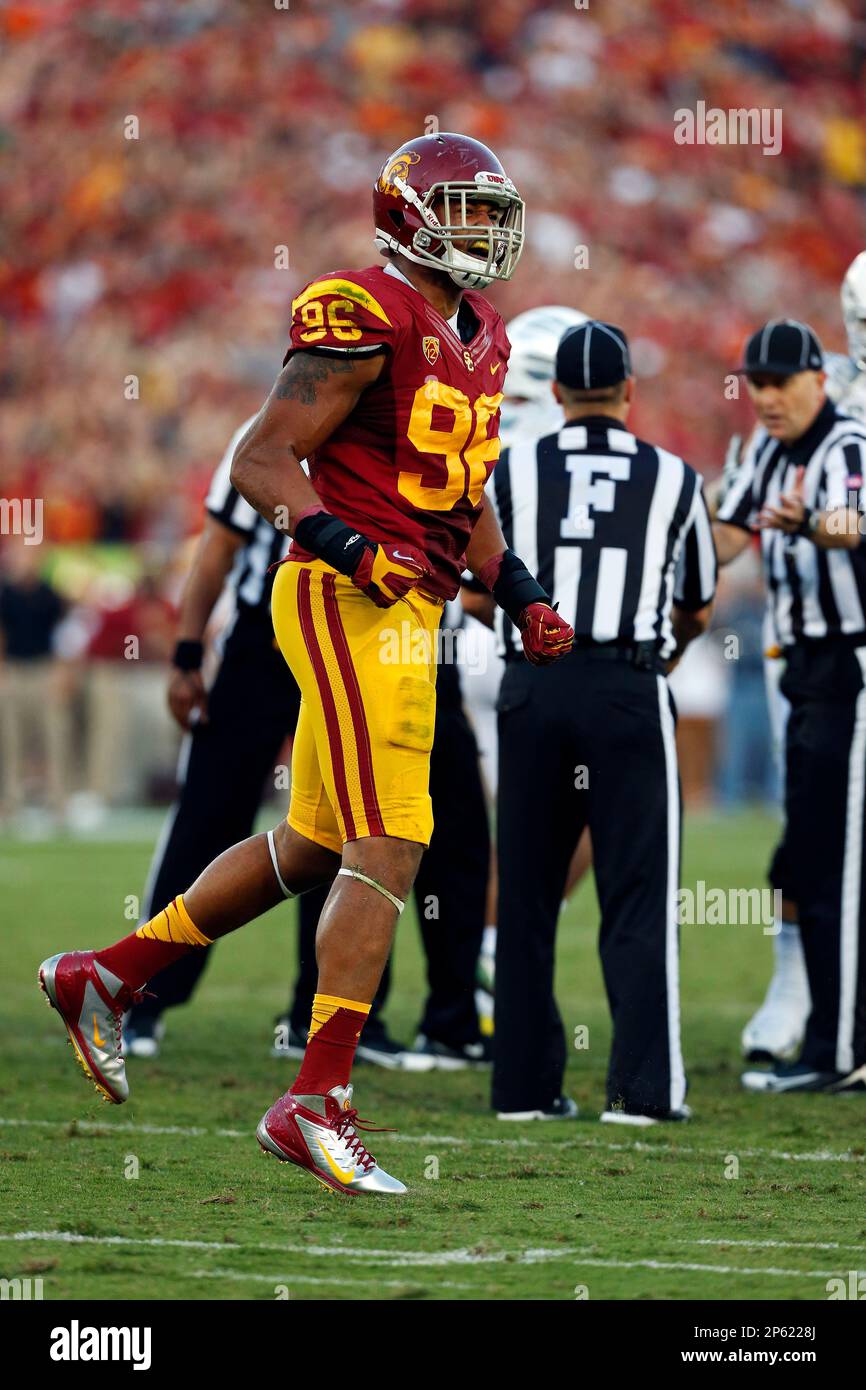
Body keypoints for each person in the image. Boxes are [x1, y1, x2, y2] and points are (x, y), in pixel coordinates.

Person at [38, 131, 573, 1198]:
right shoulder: (360, 308)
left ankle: (110, 972)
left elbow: (458, 494)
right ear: (405, 217)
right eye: (460, 209)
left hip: (409, 600)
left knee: (317, 840)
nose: (480, 229)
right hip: (342, 595)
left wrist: (514, 588)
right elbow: (260, 459)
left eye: (485, 210)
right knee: (396, 835)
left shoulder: (486, 336)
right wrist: (342, 544)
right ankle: (316, 1097)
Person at [491, 320, 716, 1125]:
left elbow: (480, 587)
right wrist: (664, 654)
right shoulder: (674, 477)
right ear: (629, 392)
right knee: (639, 896)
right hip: (627, 685)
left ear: (555, 395)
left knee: (524, 892)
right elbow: (697, 602)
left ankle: (521, 1088)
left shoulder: (512, 469)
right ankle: (642, 1093)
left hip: (532, 686)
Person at [714, 319, 866, 1094]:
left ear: (818, 377)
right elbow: (727, 536)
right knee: (810, 856)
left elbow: (851, 523)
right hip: (805, 673)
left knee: (834, 861)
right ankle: (835, 1034)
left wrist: (808, 522)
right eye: (757, 382)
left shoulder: (846, 444)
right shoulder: (770, 451)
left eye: (780, 381)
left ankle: (838, 1051)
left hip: (853, 667)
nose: (766, 396)